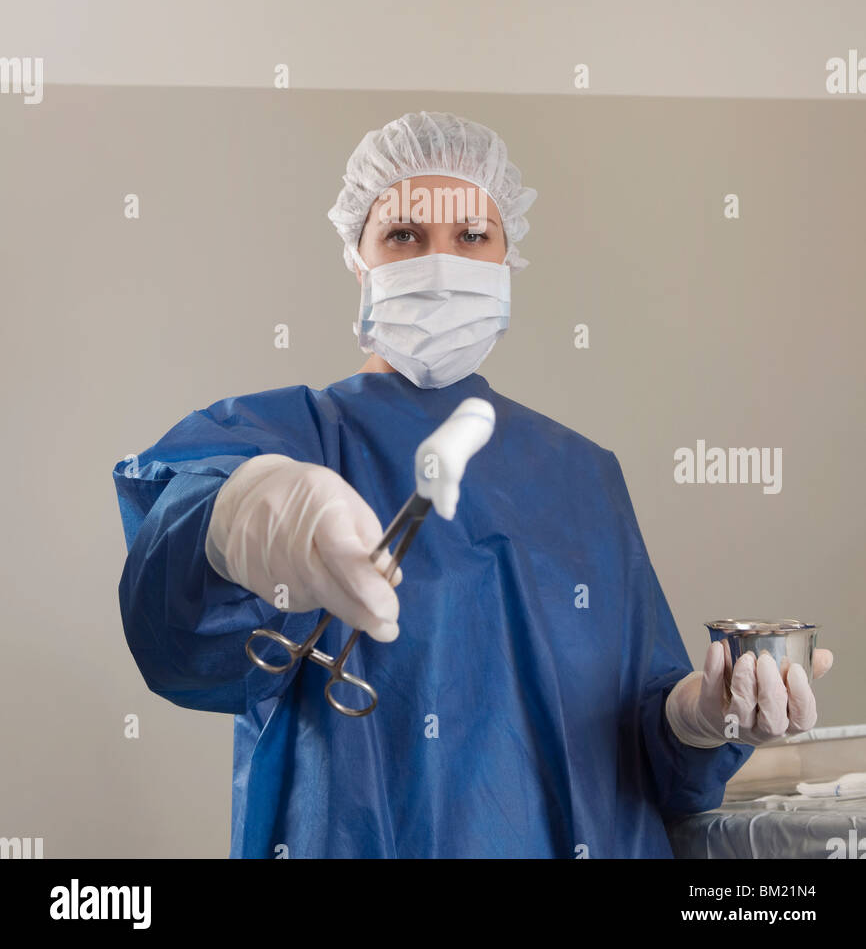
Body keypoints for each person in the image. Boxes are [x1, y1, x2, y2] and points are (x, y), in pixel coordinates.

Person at [114, 111, 832, 859]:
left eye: (470, 238)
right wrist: (244, 516)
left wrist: (697, 718)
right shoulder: (294, 440)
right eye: (403, 236)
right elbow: (175, 625)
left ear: (506, 258)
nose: (439, 263)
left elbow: (645, 753)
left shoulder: (583, 475)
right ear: (357, 260)